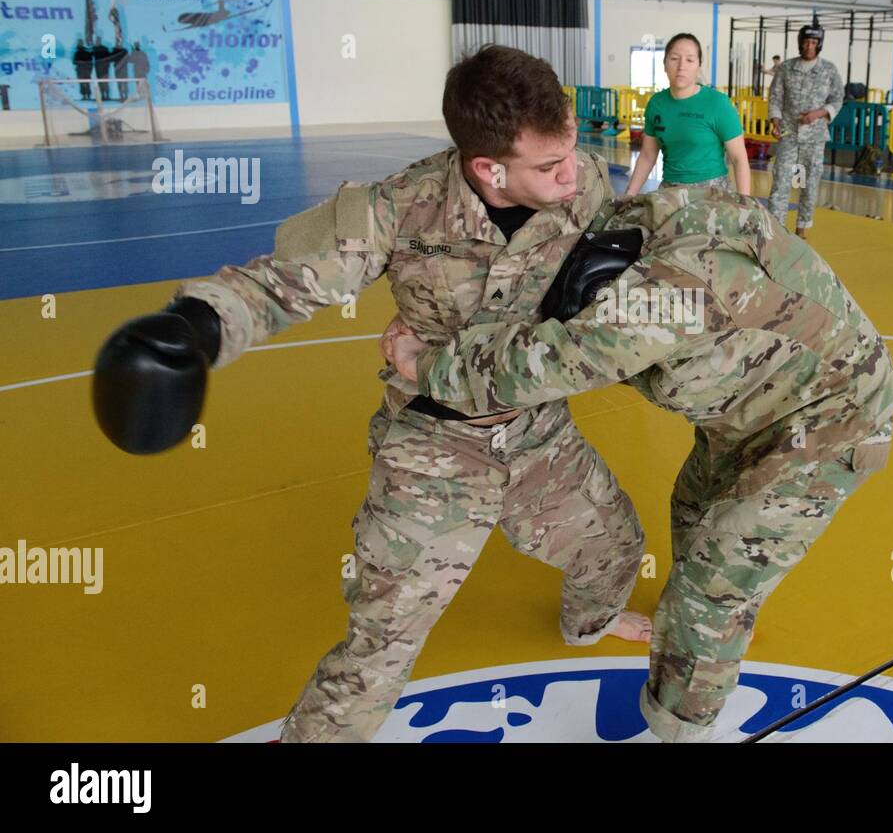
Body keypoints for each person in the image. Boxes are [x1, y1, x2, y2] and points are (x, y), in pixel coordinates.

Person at [90, 46, 651, 743]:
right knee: (380, 646)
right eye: (549, 166)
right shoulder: (398, 208)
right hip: (436, 448)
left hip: (540, 433)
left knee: (620, 544)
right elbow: (284, 281)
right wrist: (194, 327)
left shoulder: (586, 178)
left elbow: (647, 244)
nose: (572, 175)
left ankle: (589, 624)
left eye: (571, 151)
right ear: (488, 167)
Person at [387, 183, 893, 742]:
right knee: (695, 508)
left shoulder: (661, 300)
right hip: (759, 402)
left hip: (832, 419)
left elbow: (542, 368)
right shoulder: (631, 225)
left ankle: (684, 726)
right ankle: (721, 619)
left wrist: (430, 364)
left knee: (712, 580)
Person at [623, 33, 750, 201]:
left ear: (698, 66)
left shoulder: (718, 104)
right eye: (674, 58)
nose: (681, 66)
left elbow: (739, 158)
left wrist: (745, 204)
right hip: (670, 191)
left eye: (690, 60)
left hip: (712, 193)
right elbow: (648, 155)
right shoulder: (657, 104)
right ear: (665, 64)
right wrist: (629, 195)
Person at [767, 23, 844, 238]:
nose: (809, 46)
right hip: (788, 135)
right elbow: (775, 97)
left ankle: (801, 229)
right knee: (782, 180)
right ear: (799, 43)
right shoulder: (785, 68)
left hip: (814, 138)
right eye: (806, 42)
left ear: (819, 45)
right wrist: (775, 121)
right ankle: (777, 230)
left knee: (808, 185)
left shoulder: (829, 70)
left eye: (814, 42)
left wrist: (818, 114)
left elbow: (838, 99)